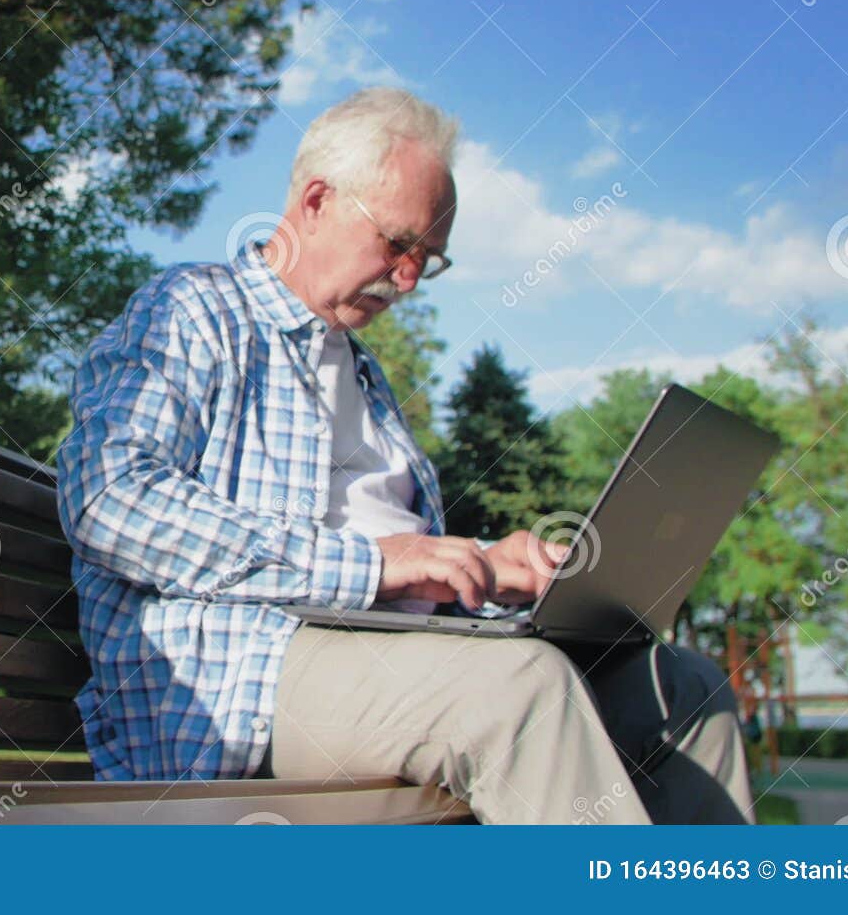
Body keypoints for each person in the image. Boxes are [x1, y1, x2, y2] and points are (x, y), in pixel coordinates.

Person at [55, 86, 754, 824]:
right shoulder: (195, 309)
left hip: (387, 655)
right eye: (398, 243)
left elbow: (395, 552)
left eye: (430, 258)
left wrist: (486, 567)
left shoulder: (364, 373)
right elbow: (108, 500)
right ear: (317, 201)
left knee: (683, 686)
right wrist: (375, 566)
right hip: (239, 670)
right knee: (520, 691)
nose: (411, 278)